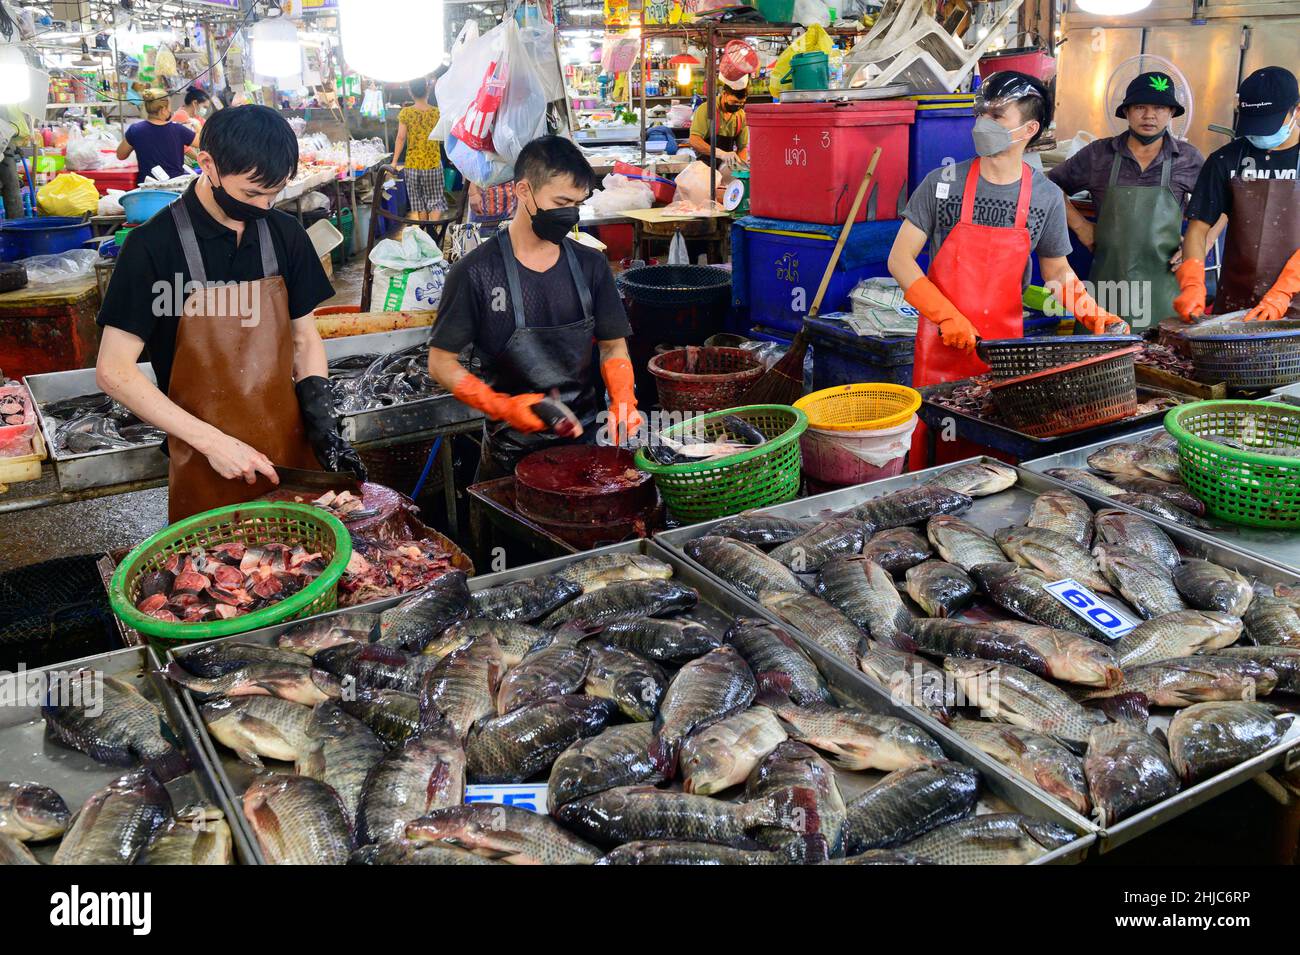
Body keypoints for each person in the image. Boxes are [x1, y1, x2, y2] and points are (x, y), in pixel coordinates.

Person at [95, 105, 364, 523]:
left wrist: (321, 419)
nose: (264, 205)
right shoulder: (151, 247)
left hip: (287, 448)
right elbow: (114, 371)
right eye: (251, 194)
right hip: (203, 456)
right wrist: (213, 443)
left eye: (274, 194)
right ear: (208, 165)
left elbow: (304, 338)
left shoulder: (285, 234)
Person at [887, 71, 1122, 467]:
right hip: (940, 349)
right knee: (934, 456)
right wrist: (946, 316)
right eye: (980, 113)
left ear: (1029, 128)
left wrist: (1092, 312)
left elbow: (1057, 272)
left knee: (994, 457)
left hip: (1005, 355)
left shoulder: (1045, 196)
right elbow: (899, 259)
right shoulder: (942, 182)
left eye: (997, 116)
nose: (983, 123)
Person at [427, 135, 640, 480]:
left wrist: (622, 398)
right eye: (560, 201)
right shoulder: (475, 272)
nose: (569, 214)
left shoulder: (591, 265)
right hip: (509, 453)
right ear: (523, 191)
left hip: (587, 446)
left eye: (577, 204)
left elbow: (612, 345)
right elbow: (440, 363)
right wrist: (503, 406)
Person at [1047, 70, 1210, 331]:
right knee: (1099, 362)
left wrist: (1196, 246)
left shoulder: (1188, 159)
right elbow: (1048, 186)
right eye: (1140, 107)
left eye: (1159, 108)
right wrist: (1080, 226)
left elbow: (1218, 206)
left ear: (1171, 113)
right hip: (1108, 291)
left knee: (1160, 364)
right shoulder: (1099, 155)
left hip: (1164, 294)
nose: (1149, 116)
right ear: (1126, 112)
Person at [1177, 66, 1300, 323]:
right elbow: (1198, 229)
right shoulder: (1225, 159)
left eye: (1268, 125)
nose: (1259, 134)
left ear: (1296, 111)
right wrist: (1192, 282)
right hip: (1234, 306)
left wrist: (1284, 290)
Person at [118, 87, 198, 184]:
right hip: (175, 187)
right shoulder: (178, 130)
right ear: (163, 109)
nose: (170, 111)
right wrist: (197, 126)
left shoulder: (135, 130)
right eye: (169, 107)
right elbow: (203, 143)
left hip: (147, 189)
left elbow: (120, 155)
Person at [394, 76, 446, 221]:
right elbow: (444, 137)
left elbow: (401, 137)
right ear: (428, 89)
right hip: (433, 164)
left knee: (420, 204)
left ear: (411, 92)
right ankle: (432, 235)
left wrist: (394, 162)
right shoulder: (437, 113)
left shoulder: (406, 113)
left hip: (412, 165)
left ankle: (425, 234)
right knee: (436, 202)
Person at [688, 73, 749, 169]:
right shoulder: (707, 109)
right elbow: (694, 140)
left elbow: (742, 148)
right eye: (734, 102)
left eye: (741, 103)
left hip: (726, 167)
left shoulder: (741, 115)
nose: (738, 106)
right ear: (724, 94)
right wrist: (721, 154)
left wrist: (740, 167)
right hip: (705, 167)